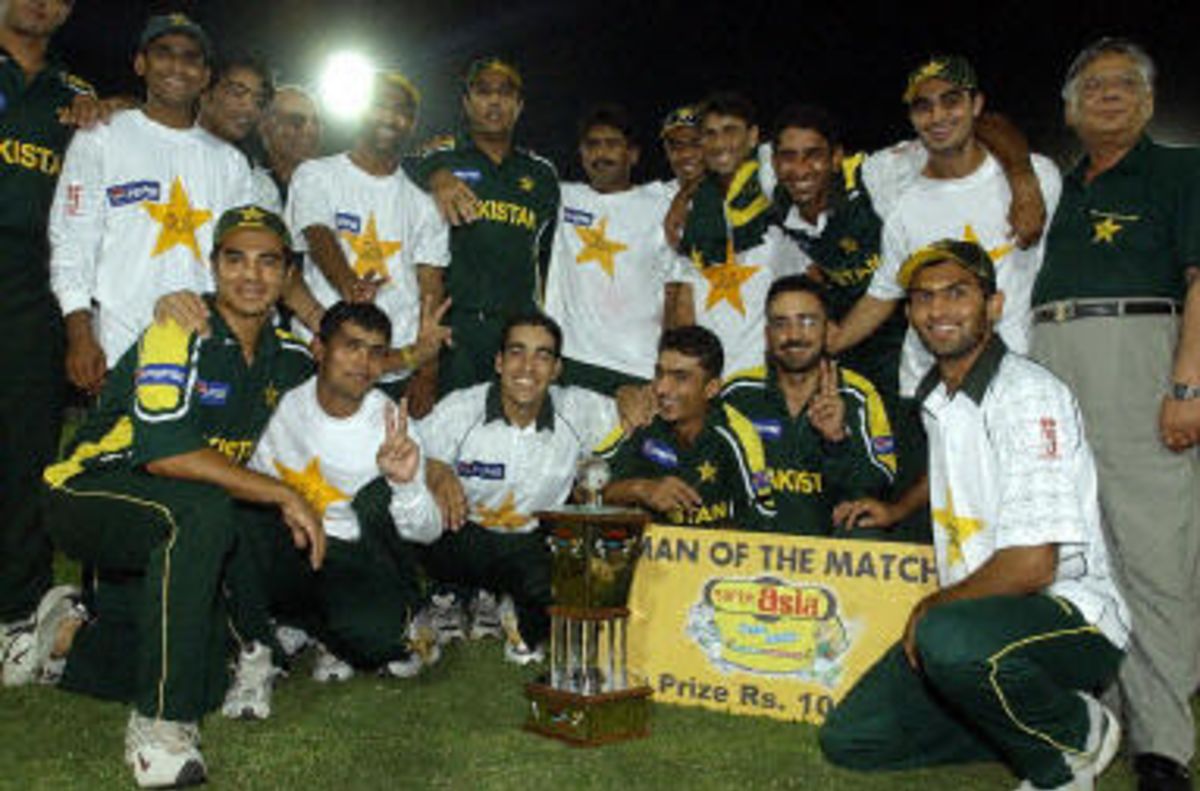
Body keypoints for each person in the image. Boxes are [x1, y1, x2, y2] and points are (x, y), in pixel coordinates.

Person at [8, 206, 320, 788]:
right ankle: (159, 723)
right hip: (90, 488)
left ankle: (62, 641)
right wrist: (281, 493)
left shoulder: (291, 359)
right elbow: (165, 454)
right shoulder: (178, 328)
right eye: (235, 259)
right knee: (206, 507)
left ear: (287, 275)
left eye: (267, 261)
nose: (250, 276)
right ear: (214, 266)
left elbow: (356, 371)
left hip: (175, 511)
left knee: (206, 674)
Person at [820, 238, 1130, 791]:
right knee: (853, 739)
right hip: (978, 624)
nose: (938, 310)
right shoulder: (941, 395)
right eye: (922, 298)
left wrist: (933, 607)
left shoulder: (1025, 395)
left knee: (944, 635)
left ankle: (1066, 746)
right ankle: (1022, 716)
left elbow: (1033, 564)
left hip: (1069, 616)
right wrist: (897, 507)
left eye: (957, 293)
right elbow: (956, 468)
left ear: (993, 305)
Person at [1028, 38, 1200, 791]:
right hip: (1053, 364)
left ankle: (1162, 742)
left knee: (1154, 553)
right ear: (1068, 108)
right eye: (1091, 86)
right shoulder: (1058, 188)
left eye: (1125, 84)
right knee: (1074, 553)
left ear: (1150, 101)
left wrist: (1188, 384)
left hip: (1140, 357)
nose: (1107, 95)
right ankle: (1093, 724)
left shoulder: (1181, 168)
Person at [236, 301, 443, 693]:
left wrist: (405, 483)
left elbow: (429, 532)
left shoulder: (391, 424)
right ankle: (265, 643)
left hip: (353, 557)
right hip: (290, 543)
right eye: (351, 346)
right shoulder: (280, 403)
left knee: (382, 646)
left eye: (377, 352)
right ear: (318, 348)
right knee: (238, 512)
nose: (364, 362)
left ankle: (317, 625)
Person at [831, 55, 1061, 399]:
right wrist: (830, 343)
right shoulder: (904, 206)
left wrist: (1022, 178)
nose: (937, 116)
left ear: (976, 104)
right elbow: (884, 292)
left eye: (951, 101)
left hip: (1015, 380)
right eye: (923, 107)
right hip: (929, 386)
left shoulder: (1038, 178)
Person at [49, 13, 254, 394]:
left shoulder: (230, 163)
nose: (177, 66)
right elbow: (73, 241)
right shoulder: (101, 137)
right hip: (119, 347)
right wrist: (80, 335)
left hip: (202, 353)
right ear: (141, 64)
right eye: (164, 53)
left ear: (205, 76)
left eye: (191, 57)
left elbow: (243, 265)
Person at [411, 312, 621, 663]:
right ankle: (446, 595)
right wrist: (436, 471)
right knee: (418, 505)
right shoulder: (462, 409)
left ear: (556, 370)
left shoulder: (580, 410)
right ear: (498, 361)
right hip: (465, 536)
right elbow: (411, 451)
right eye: (517, 352)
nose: (528, 367)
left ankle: (504, 602)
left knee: (541, 626)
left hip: (530, 541)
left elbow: (636, 412)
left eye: (543, 356)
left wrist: (632, 396)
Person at [0, 0, 96, 658]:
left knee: (23, 456)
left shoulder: (77, 99)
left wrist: (109, 111)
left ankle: (13, 618)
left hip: (29, 288)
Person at [286, 69, 449, 402]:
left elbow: (430, 290)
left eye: (403, 111)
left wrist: (427, 369)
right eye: (379, 105)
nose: (390, 117)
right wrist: (348, 284)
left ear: (413, 124)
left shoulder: (424, 205)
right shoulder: (316, 174)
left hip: (391, 369)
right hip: (319, 356)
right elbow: (318, 236)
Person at [408, 57, 559, 404]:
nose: (494, 101)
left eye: (505, 93)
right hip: (454, 329)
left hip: (517, 333)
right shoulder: (442, 157)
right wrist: (437, 176)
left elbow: (555, 257)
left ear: (519, 106)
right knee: (447, 433)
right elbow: (399, 164)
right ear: (467, 102)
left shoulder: (541, 174)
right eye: (483, 92)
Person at [721, 275, 896, 535]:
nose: (793, 335)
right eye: (781, 323)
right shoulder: (737, 394)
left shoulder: (858, 394)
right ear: (768, 335)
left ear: (829, 331)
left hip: (827, 553)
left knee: (866, 531)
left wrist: (836, 441)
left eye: (807, 321)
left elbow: (878, 486)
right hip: (749, 547)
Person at [544, 103, 690, 394]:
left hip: (638, 369)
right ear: (582, 153)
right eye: (593, 145)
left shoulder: (663, 199)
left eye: (612, 144)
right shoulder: (562, 197)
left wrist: (685, 194)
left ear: (633, 154)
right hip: (573, 364)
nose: (601, 154)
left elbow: (719, 170)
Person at [674, 92, 809, 376]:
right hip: (710, 379)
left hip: (772, 373)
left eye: (730, 131)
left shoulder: (779, 190)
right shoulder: (695, 209)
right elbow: (685, 293)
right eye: (709, 134)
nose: (719, 142)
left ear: (753, 136)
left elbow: (813, 277)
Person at [602, 325, 775, 529]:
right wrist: (642, 489)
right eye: (659, 373)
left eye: (680, 377)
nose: (661, 388)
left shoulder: (738, 434)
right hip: (649, 556)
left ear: (711, 389)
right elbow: (586, 490)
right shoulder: (644, 418)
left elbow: (763, 517)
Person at [254, 85, 321, 211]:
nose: (309, 130)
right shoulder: (244, 184)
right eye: (296, 121)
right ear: (265, 126)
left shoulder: (331, 187)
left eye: (315, 123)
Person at [197, 52, 273, 155]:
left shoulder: (239, 163)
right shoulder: (172, 149)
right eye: (237, 93)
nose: (250, 108)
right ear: (205, 94)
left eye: (258, 101)